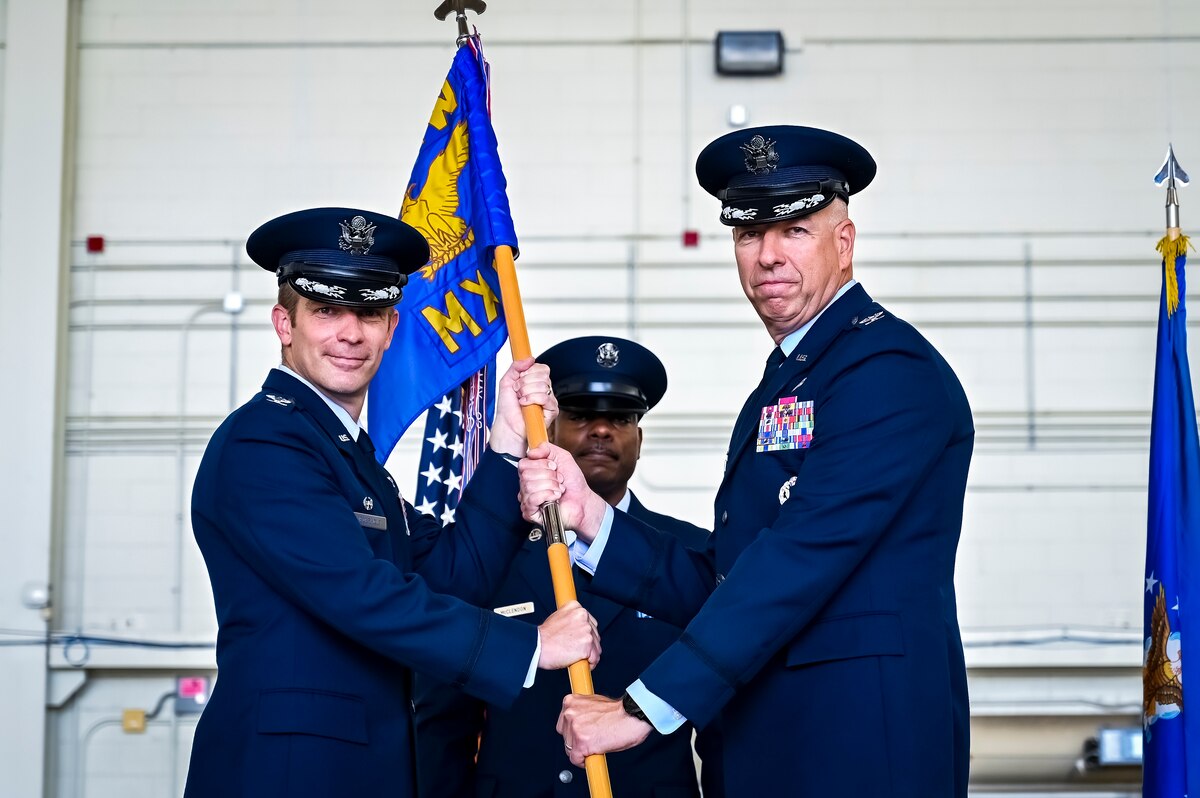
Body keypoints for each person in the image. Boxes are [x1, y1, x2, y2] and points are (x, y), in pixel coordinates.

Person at [519, 126, 974, 797]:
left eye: (794, 230)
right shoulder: (793, 379)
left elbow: (798, 560)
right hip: (773, 750)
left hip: (854, 753)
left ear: (842, 245)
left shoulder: (886, 371)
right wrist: (590, 519)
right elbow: (731, 576)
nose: (766, 255)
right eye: (747, 234)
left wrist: (643, 707)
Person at [183, 207, 601, 798]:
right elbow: (363, 595)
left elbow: (453, 575)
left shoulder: (348, 460)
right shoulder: (265, 443)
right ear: (284, 323)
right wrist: (531, 646)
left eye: (370, 313)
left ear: (391, 326)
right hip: (289, 773)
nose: (350, 334)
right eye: (326, 310)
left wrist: (506, 445)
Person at [414, 335, 721, 798]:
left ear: (640, 438)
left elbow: (723, 698)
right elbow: (445, 708)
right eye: (580, 415)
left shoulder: (692, 554)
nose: (601, 431)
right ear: (550, 432)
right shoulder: (491, 551)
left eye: (620, 418)